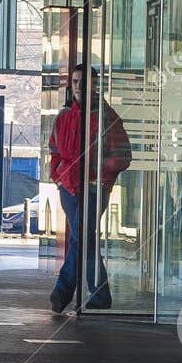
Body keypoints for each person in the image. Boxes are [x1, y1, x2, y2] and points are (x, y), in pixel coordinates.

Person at [46, 63, 132, 313]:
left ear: (95, 85)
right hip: (69, 190)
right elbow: (54, 151)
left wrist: (99, 174)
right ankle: (100, 295)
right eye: (75, 81)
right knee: (84, 240)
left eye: (84, 82)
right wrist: (58, 176)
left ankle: (62, 291)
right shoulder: (63, 117)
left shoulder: (108, 116)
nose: (78, 86)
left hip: (94, 189)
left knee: (80, 237)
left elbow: (123, 156)